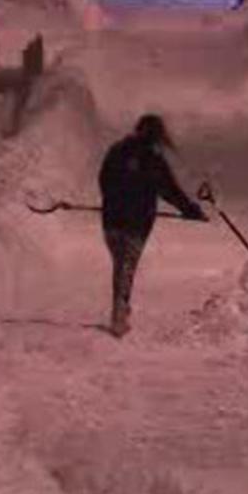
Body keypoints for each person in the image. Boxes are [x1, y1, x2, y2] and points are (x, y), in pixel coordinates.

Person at [97, 115, 208, 338]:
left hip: (111, 220)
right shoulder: (152, 158)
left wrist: (113, 200)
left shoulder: (117, 150)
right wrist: (191, 211)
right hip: (137, 221)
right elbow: (169, 189)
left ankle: (121, 307)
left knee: (121, 264)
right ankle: (119, 313)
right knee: (126, 265)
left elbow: (103, 179)